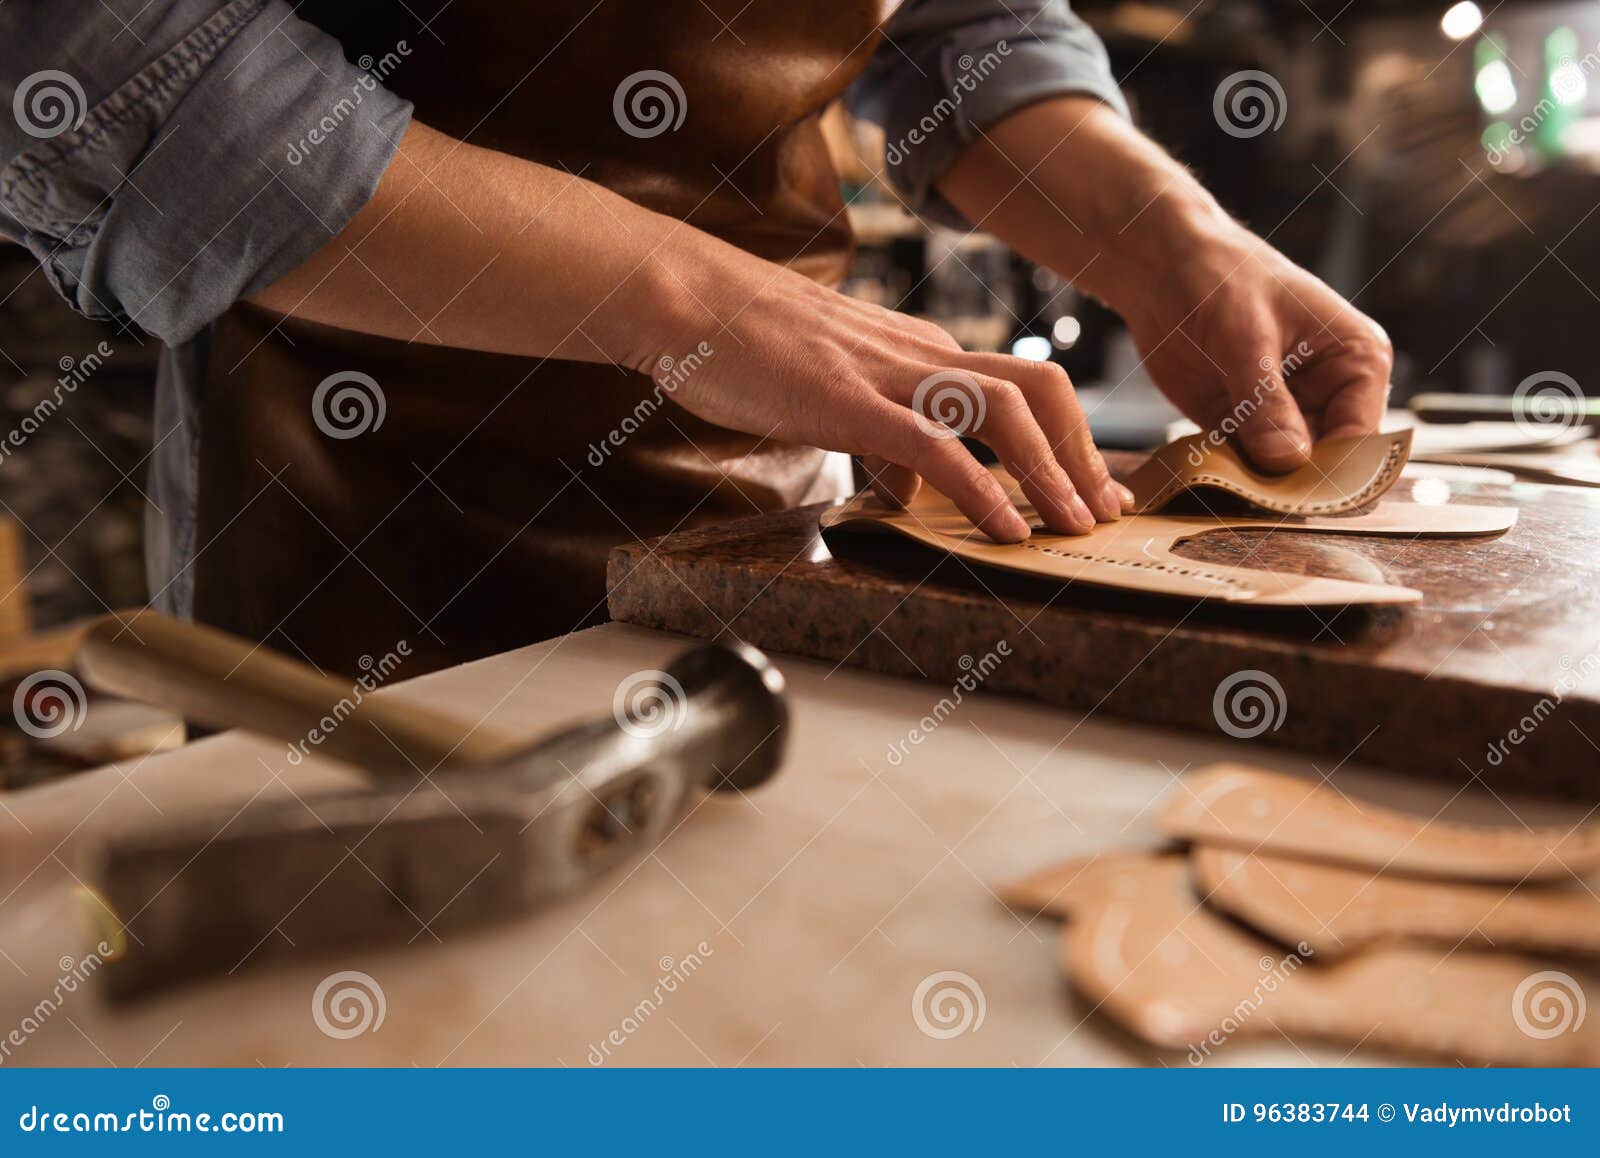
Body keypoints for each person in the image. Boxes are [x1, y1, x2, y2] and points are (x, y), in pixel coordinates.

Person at [0, 1, 1392, 675]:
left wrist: (1172, 236)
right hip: (367, 559)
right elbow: (115, 66)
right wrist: (708, 304)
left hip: (784, 552)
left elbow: (972, 28)